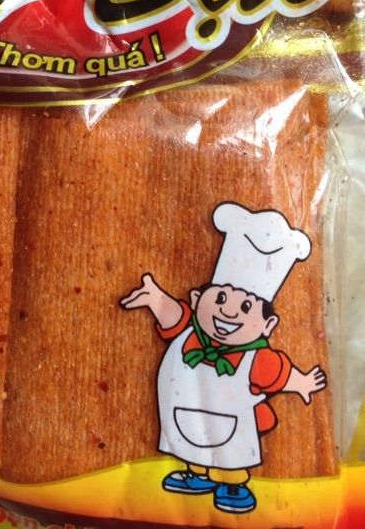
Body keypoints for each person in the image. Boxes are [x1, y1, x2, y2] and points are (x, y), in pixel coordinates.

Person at [120, 202, 327, 514]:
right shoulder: (189, 333)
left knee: (232, 454)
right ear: (196, 299)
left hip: (233, 428)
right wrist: (157, 298)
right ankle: (197, 475)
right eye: (220, 298)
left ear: (268, 324)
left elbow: (280, 375)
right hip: (185, 417)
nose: (229, 312)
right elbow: (174, 316)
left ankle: (233, 484)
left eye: (245, 307)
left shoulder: (257, 359)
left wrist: (303, 383)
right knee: (189, 443)